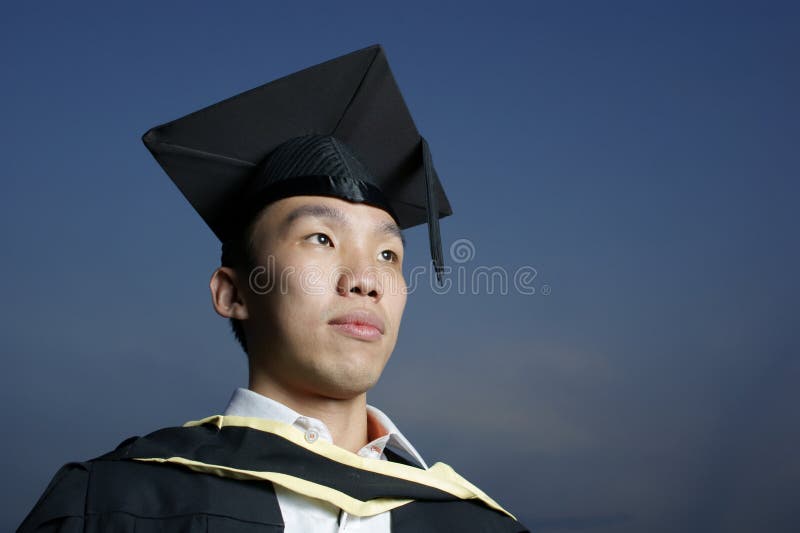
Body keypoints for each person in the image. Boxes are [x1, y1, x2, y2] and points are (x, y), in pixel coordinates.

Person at [18, 45, 529, 532]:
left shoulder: (475, 521)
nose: (366, 280)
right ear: (233, 294)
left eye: (388, 255)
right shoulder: (108, 505)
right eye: (322, 238)